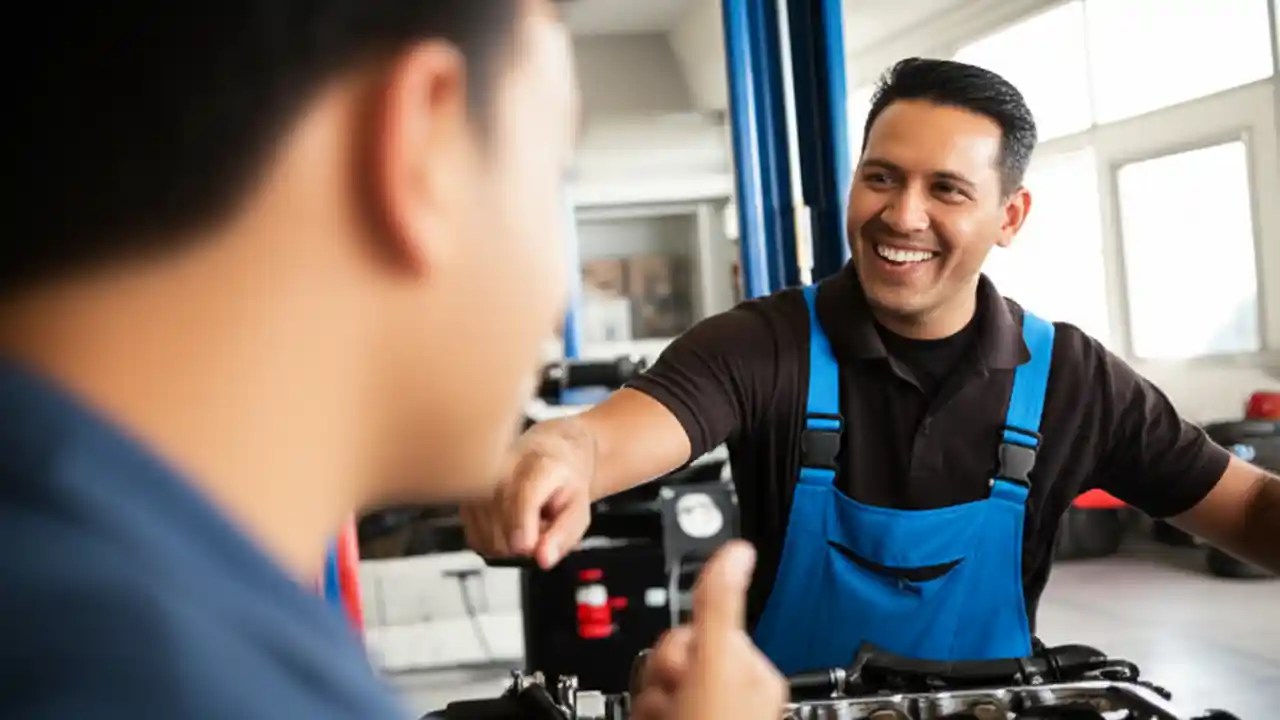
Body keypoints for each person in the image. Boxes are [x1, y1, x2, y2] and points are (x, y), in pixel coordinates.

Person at [0, 1, 784, 718]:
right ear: (424, 144)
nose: (555, 299)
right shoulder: (192, 682)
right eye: (551, 178)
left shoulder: (77, 584)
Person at [462, 57, 1280, 676]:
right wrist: (551, 455)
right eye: (881, 177)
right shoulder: (764, 345)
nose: (903, 214)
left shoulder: (1073, 379)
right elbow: (604, 440)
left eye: (947, 190)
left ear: (1010, 216)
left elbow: (1248, 514)